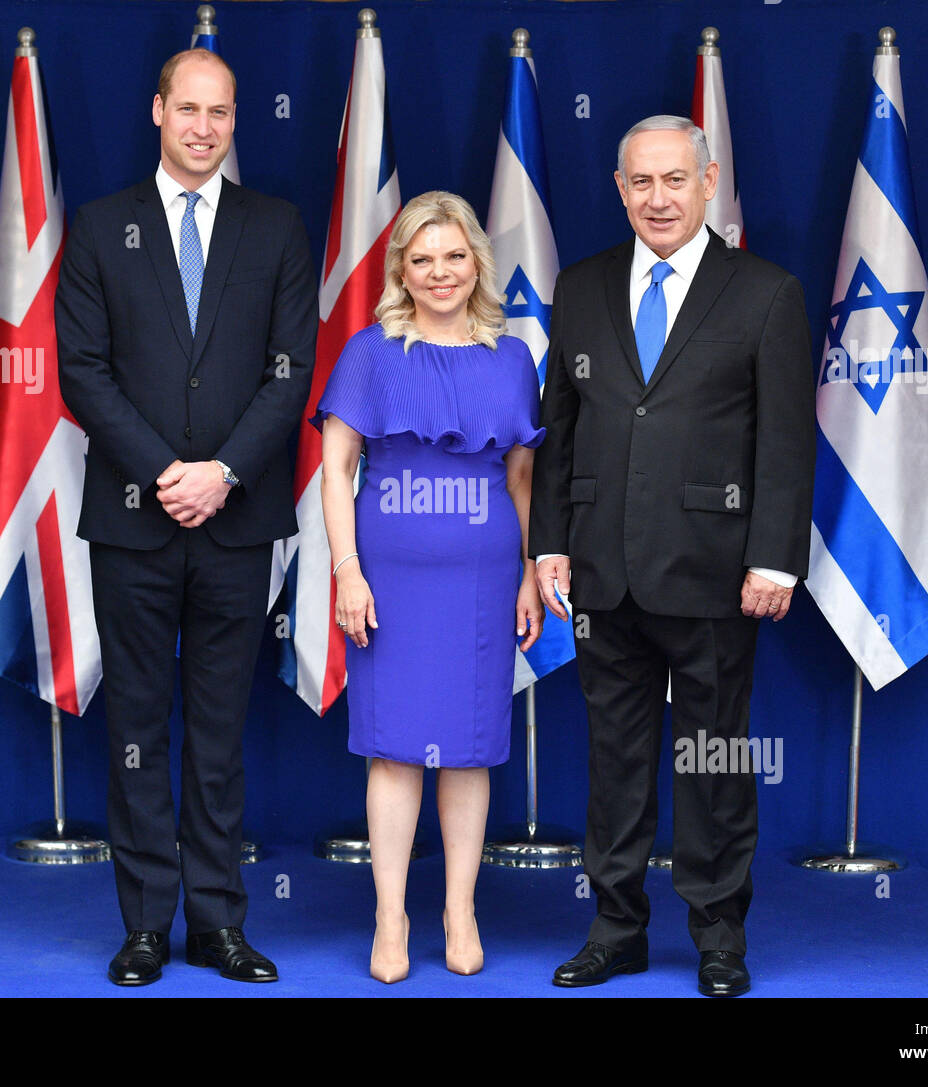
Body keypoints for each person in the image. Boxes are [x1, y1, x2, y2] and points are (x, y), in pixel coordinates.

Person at [530, 116, 815, 996]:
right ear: (620, 190)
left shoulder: (766, 293)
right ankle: (617, 927)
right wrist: (547, 543)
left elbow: (786, 441)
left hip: (716, 572)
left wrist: (775, 557)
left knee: (713, 758)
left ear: (708, 181)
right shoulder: (578, 287)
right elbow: (558, 431)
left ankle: (720, 933)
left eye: (675, 181)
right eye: (641, 183)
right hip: (601, 572)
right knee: (614, 760)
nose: (658, 198)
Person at [54, 48, 316, 986]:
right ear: (157, 110)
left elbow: (292, 371)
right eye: (188, 109)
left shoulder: (277, 226)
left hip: (237, 525)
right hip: (133, 522)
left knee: (216, 733)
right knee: (136, 726)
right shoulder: (97, 227)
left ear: (236, 120)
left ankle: (219, 924)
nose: (204, 128)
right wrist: (170, 470)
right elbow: (81, 370)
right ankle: (144, 927)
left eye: (222, 113)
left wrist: (224, 474)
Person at [315, 191, 545, 983]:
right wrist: (347, 570)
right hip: (389, 580)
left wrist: (526, 570)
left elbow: (522, 475)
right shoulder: (370, 352)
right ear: (400, 271)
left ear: (476, 262)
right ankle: (390, 916)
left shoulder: (512, 357)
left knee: (470, 750)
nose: (440, 272)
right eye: (423, 259)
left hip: (484, 584)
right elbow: (336, 467)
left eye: (454, 257)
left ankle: (459, 908)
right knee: (394, 751)